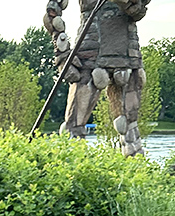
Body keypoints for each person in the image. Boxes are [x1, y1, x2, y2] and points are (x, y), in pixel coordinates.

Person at [43, 0, 150, 156]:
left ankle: (135, 168)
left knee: (130, 124)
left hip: (127, 53)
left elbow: (138, 10)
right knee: (74, 124)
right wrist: (62, 50)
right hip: (88, 52)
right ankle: (69, 166)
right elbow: (53, 10)